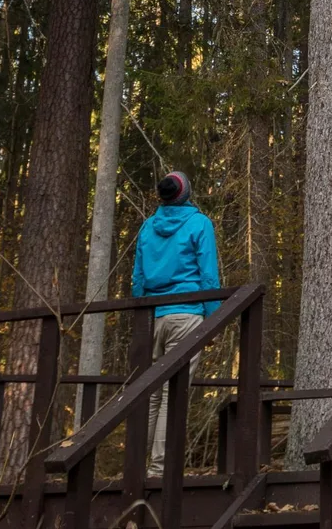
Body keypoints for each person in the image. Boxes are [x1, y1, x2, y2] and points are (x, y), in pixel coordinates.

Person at [132, 170, 221, 478]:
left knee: (152, 393)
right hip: (186, 315)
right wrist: (216, 318)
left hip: (153, 317)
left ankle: (136, 468)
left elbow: (138, 279)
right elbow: (208, 275)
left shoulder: (147, 227)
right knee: (173, 394)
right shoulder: (200, 224)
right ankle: (158, 472)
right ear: (187, 194)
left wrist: (142, 317)